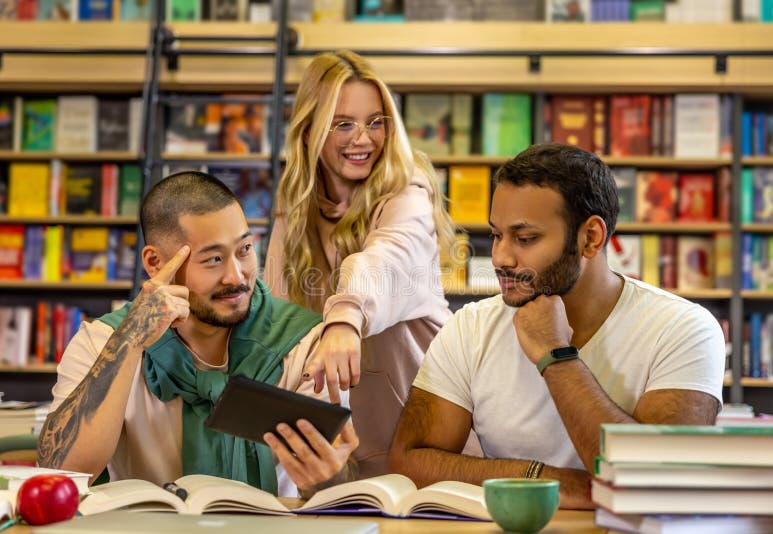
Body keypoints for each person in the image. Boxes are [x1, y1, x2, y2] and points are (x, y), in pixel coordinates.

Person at [388, 143, 725, 509]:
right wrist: (546, 480)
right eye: (497, 234)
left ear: (590, 238)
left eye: (525, 238)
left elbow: (658, 480)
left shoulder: (684, 329)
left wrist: (557, 356)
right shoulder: (471, 327)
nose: (500, 257)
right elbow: (410, 461)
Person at [37, 171, 358, 498]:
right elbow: (62, 471)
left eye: (245, 249)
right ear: (155, 262)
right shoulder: (103, 341)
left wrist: (329, 480)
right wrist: (130, 341)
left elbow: (331, 489)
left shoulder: (307, 344)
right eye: (214, 259)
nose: (236, 276)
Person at [265, 50, 456, 477]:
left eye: (375, 122)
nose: (363, 139)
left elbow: (386, 257)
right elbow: (275, 316)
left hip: (429, 436)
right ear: (310, 129)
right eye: (344, 124)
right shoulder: (295, 208)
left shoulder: (407, 192)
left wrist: (345, 317)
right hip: (345, 453)